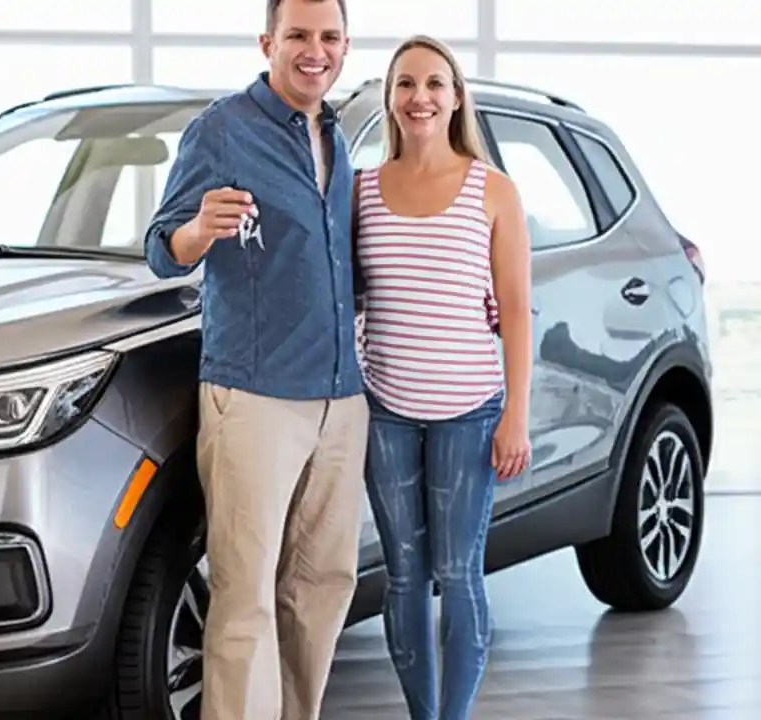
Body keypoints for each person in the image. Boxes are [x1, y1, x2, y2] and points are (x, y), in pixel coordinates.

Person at [144, 0, 366, 717]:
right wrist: (198, 232)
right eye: (299, 36)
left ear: (344, 45)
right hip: (257, 398)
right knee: (246, 595)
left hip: (341, 396)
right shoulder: (222, 130)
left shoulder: (340, 134)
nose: (315, 51)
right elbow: (161, 250)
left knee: (324, 582)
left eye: (329, 37)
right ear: (268, 41)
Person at [351, 34, 533, 720]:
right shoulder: (362, 190)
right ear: (389, 97)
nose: (419, 97)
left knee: (457, 573)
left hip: (470, 412)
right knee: (403, 577)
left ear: (456, 97)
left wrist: (516, 413)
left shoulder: (494, 191)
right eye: (405, 84)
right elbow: (348, 297)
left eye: (434, 84)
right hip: (387, 411)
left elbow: (515, 309)